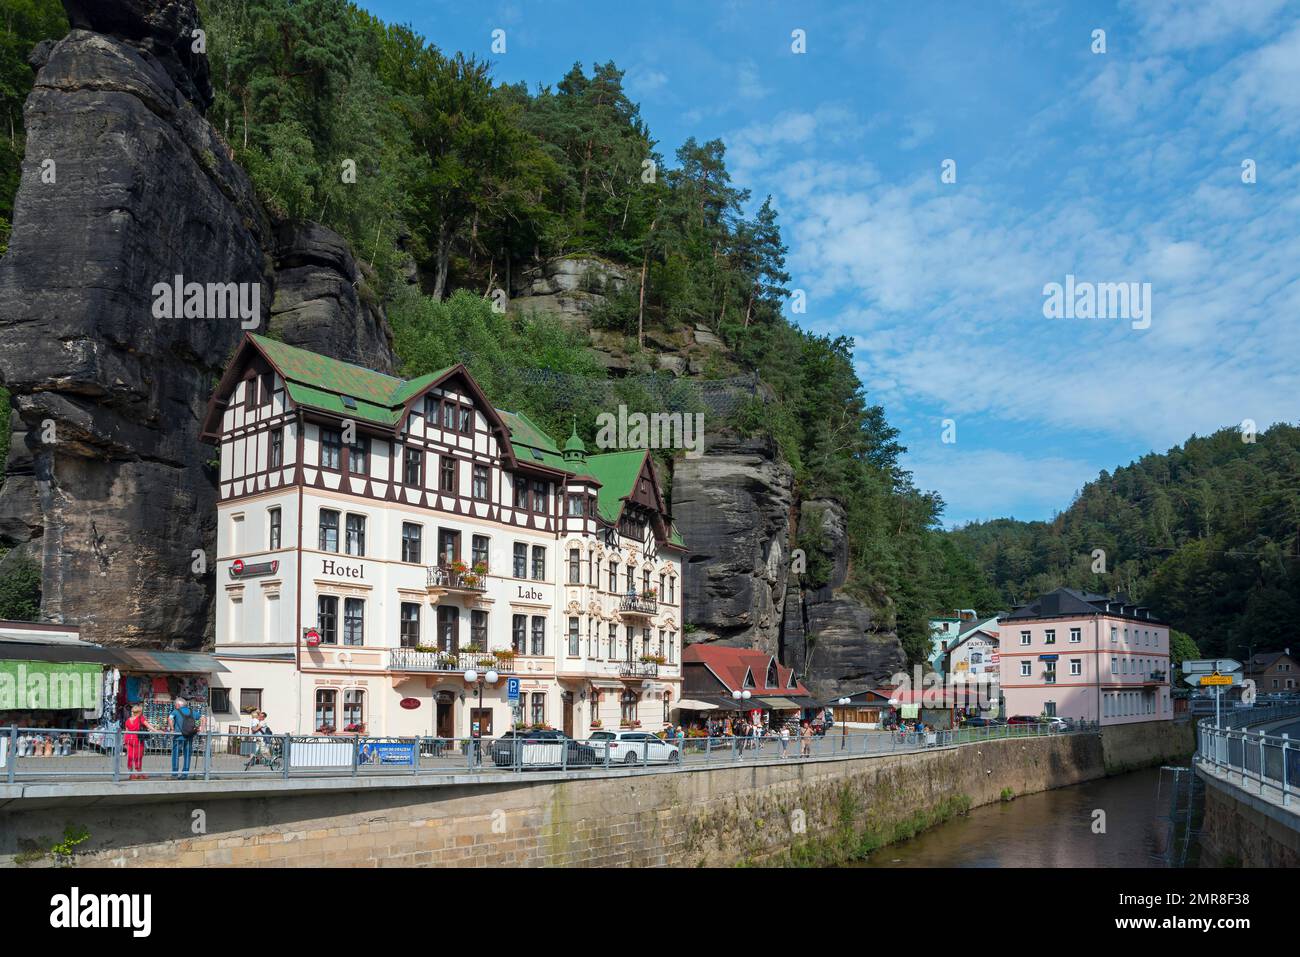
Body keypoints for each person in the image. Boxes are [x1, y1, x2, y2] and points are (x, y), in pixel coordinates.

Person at [168, 696, 200, 780]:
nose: (175, 706)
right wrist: (201, 727)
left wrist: (172, 729)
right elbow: (202, 717)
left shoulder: (175, 711)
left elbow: (170, 719)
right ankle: (184, 774)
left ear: (178, 705)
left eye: (175, 705)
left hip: (178, 736)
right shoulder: (192, 711)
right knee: (187, 755)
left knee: (175, 754)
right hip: (189, 736)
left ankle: (174, 774)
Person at [123, 704, 151, 780]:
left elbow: (126, 731)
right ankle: (139, 772)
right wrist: (157, 731)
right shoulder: (140, 718)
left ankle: (131, 774)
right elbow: (149, 726)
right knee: (138, 757)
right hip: (137, 740)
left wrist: (124, 742)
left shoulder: (128, 720)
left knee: (130, 757)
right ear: (139, 712)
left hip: (129, 739)